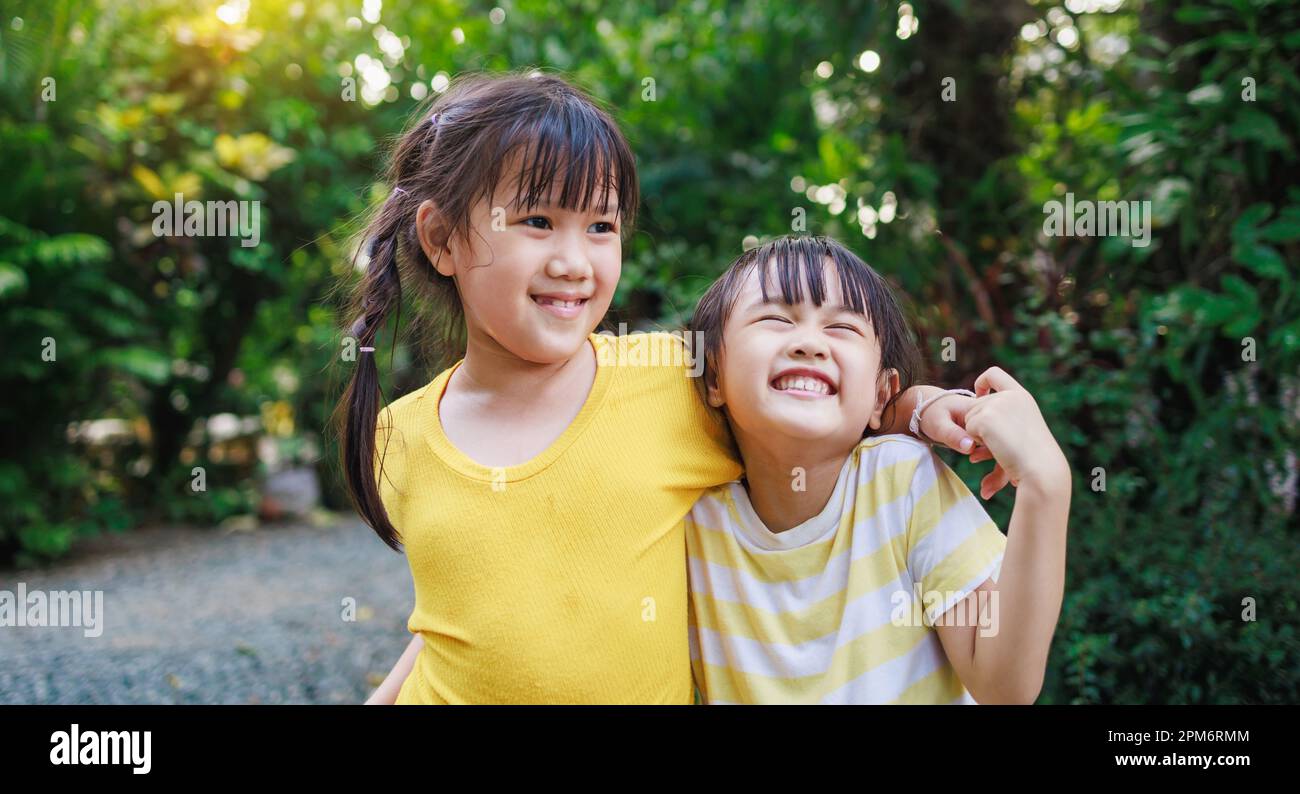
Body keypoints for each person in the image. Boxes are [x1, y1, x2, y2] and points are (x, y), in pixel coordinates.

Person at [337, 71, 995, 704]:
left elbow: (818, 405)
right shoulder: (402, 435)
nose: (573, 262)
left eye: (601, 227)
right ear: (441, 239)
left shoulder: (671, 381)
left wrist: (922, 405)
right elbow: (455, 617)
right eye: (537, 220)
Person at [685, 235, 1071, 704]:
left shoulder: (902, 484)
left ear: (881, 395)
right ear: (713, 375)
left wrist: (1045, 485)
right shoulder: (691, 522)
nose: (809, 343)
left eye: (841, 327)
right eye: (776, 319)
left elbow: (1004, 686)